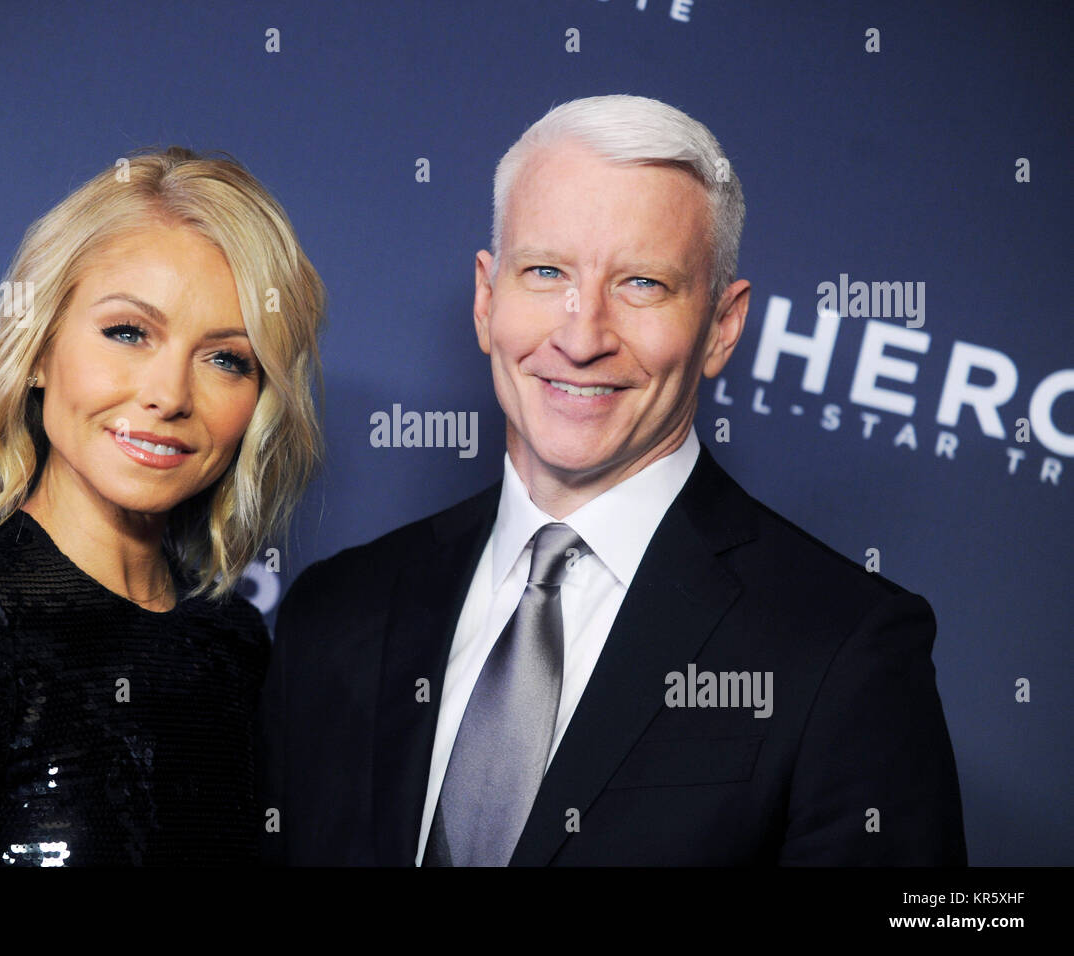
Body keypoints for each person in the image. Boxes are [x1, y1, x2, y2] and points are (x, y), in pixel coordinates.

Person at [258, 95, 967, 866]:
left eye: (642, 285)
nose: (582, 335)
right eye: (546, 271)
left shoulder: (843, 650)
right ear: (486, 300)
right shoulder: (335, 615)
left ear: (722, 328)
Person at [0, 147, 325, 866]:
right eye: (128, 332)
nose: (169, 395)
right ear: (36, 349)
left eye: (226, 358)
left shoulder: (233, 640)